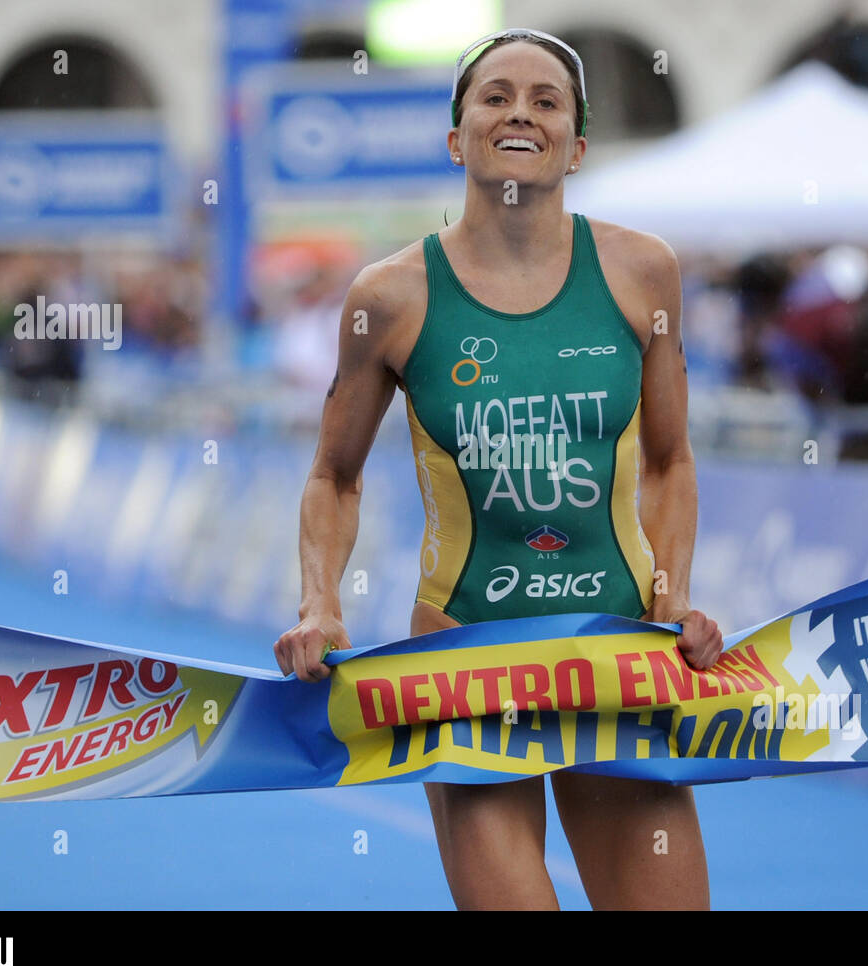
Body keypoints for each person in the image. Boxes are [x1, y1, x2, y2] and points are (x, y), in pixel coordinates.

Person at [272, 27, 723, 910]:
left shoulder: (644, 273)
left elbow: (670, 460)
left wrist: (671, 597)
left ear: (577, 146)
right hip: (463, 667)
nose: (520, 110)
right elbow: (334, 475)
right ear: (457, 136)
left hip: (616, 655)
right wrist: (321, 605)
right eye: (496, 96)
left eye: (546, 100)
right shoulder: (388, 298)